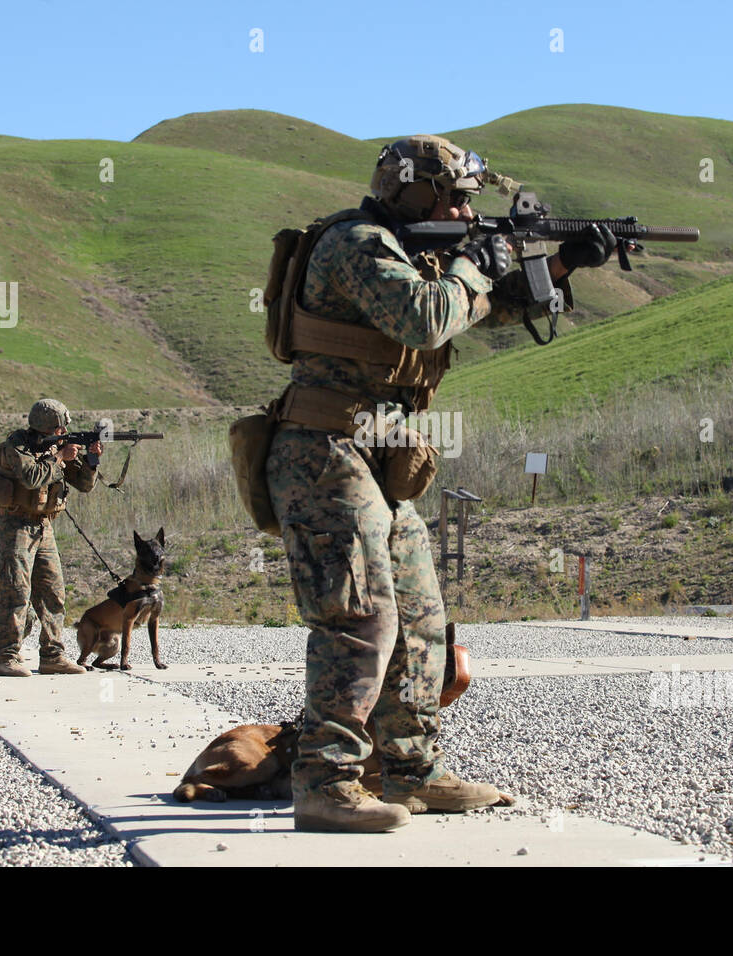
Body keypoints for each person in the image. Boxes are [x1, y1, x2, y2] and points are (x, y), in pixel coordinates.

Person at [265, 135, 620, 831]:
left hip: (377, 453)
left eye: (469, 201)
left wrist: (565, 262)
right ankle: (326, 782)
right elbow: (426, 320)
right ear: (411, 191)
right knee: (360, 614)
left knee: (422, 619)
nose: (464, 208)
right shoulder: (356, 244)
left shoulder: (417, 251)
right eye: (454, 196)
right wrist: (469, 263)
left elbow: (480, 307)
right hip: (324, 449)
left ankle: (408, 771)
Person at [0, 399, 101, 677]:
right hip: (15, 525)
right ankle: (6, 657)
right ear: (47, 425)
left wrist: (91, 459)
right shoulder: (17, 446)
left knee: (53, 592)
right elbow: (30, 478)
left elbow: (84, 485)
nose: (64, 430)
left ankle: (52, 655)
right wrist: (59, 457)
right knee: (17, 591)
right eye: (60, 426)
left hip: (43, 525)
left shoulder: (56, 447)